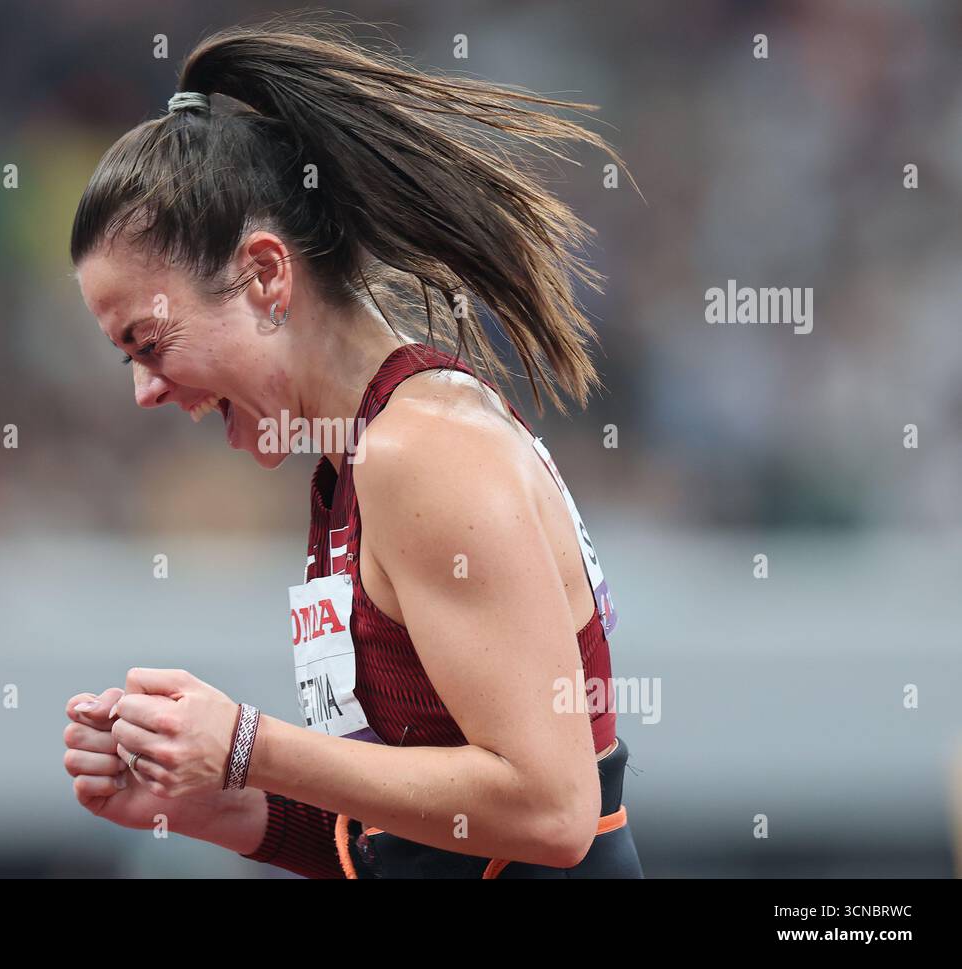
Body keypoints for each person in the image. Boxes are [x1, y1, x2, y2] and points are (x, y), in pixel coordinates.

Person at [62, 19, 641, 878]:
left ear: (265, 275)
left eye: (148, 341)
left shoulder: (428, 452)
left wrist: (251, 746)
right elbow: (418, 846)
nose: (147, 390)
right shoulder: (356, 462)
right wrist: (224, 807)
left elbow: (554, 812)